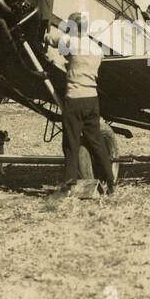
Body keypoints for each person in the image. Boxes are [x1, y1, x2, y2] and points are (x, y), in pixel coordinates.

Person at [49, 12, 115, 195]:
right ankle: (110, 181)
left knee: (71, 142)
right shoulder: (97, 49)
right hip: (92, 99)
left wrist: (46, 32)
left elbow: (53, 40)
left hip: (75, 99)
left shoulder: (72, 42)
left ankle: (69, 183)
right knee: (97, 143)